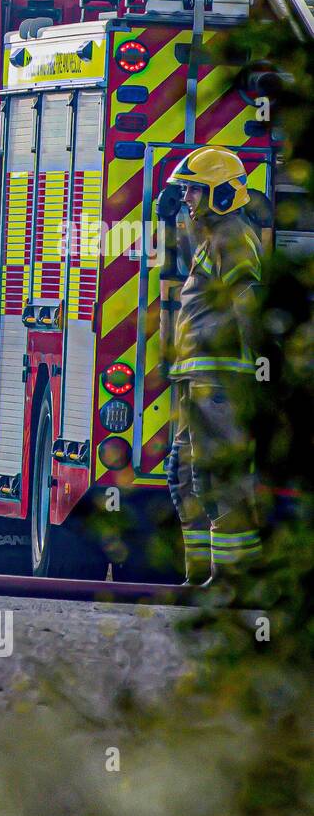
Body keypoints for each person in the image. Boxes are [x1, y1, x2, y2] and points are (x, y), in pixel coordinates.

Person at [163, 146, 266, 588]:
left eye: (192, 191)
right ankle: (201, 576)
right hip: (198, 374)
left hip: (221, 377)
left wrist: (260, 365)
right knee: (184, 475)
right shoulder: (212, 236)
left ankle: (235, 581)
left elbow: (246, 301)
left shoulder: (233, 237)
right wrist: (175, 221)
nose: (186, 198)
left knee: (217, 476)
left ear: (221, 195)